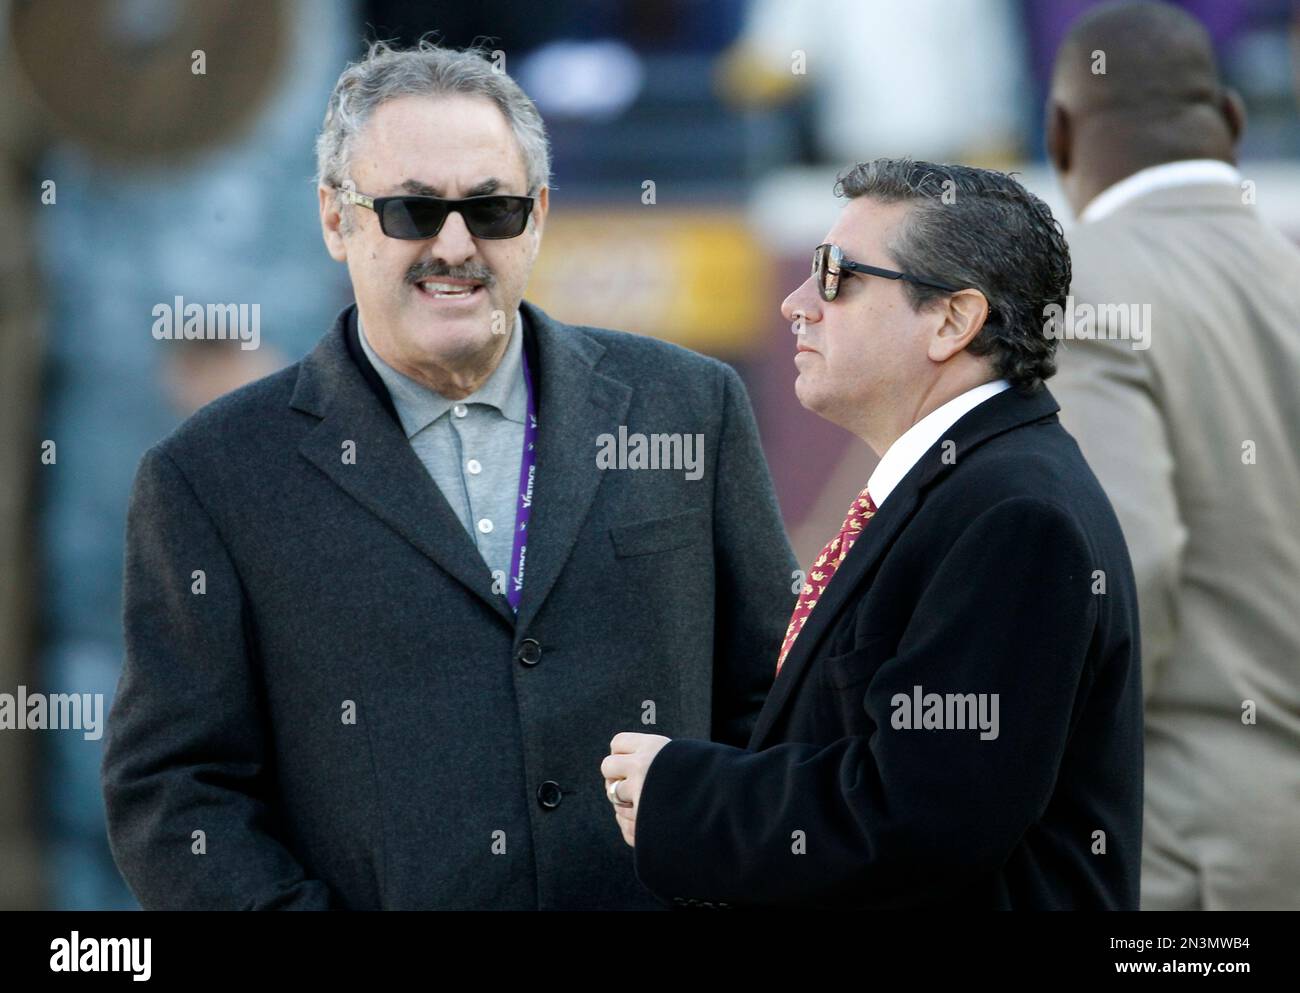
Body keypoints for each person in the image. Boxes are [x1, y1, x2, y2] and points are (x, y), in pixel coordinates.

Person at [101, 40, 797, 910]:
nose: (456, 244)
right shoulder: (210, 475)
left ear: (538, 214)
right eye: (411, 211)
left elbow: (777, 705)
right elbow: (175, 793)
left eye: (493, 209)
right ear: (334, 218)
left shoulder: (687, 408)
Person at [602, 158, 1144, 909]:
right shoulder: (971, 487)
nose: (797, 302)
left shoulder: (1014, 514)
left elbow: (925, 816)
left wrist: (684, 794)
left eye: (836, 275)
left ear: (953, 320)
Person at [1046, 0, 1300, 909]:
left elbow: (1126, 561)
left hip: (1186, 849)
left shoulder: (1084, 283)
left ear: (1059, 131)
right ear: (1232, 119)